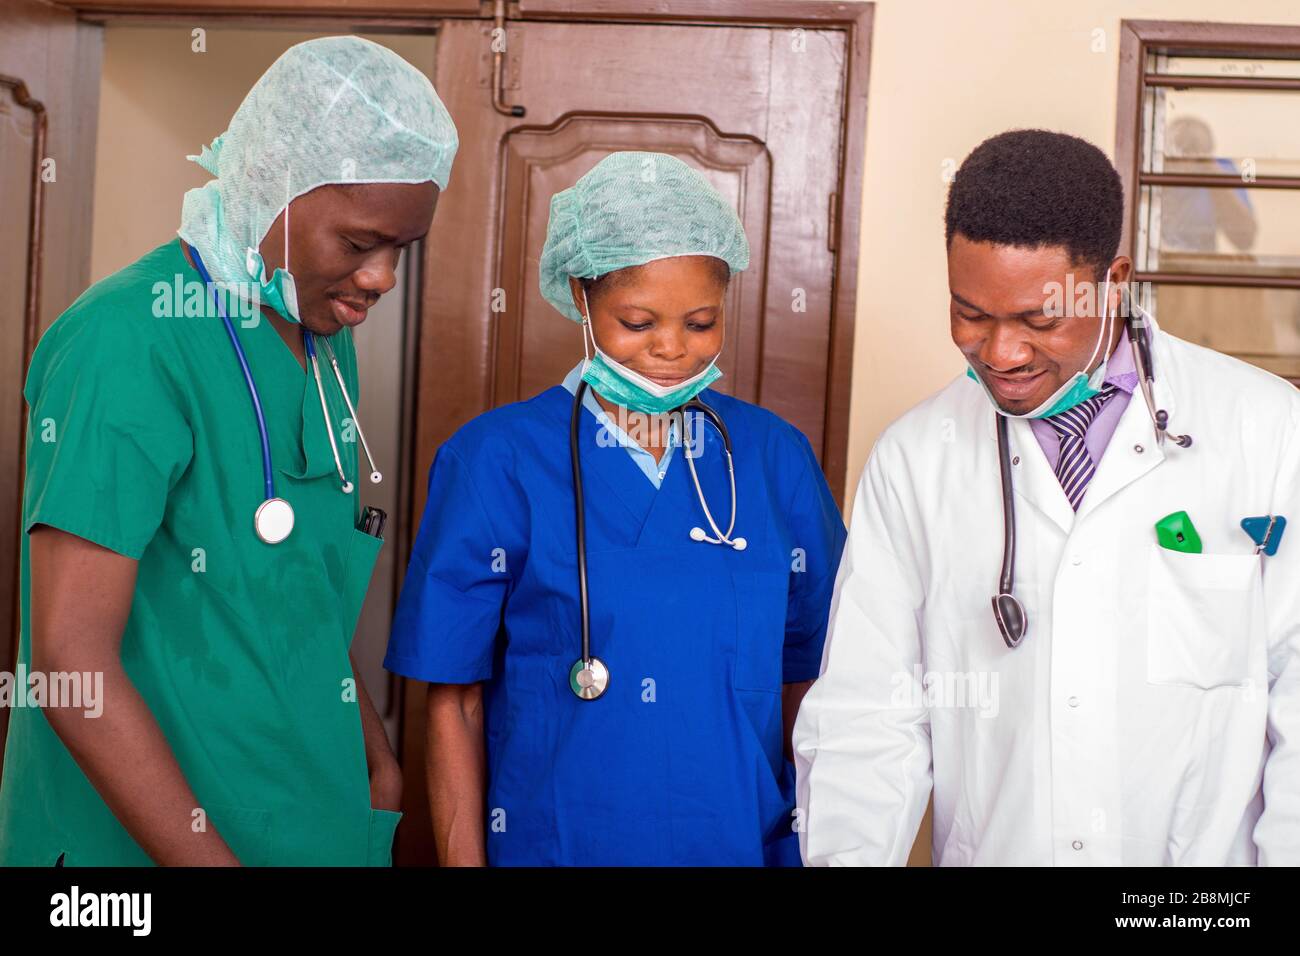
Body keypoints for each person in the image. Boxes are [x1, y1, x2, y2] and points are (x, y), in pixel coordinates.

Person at [0, 36, 459, 866]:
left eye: (403, 250)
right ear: (267, 180)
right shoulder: (127, 340)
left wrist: (372, 754)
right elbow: (70, 663)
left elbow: (291, 585)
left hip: (304, 811)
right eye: (360, 245)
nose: (383, 279)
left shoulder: (318, 336)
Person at [794, 129, 1300, 866]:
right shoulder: (914, 458)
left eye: (1039, 319)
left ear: (1115, 280)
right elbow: (867, 719)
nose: (1001, 353)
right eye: (970, 313)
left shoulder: (1265, 427)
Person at [384, 151, 847, 866]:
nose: (670, 350)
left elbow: (813, 678)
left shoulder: (772, 458)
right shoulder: (495, 460)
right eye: (636, 321)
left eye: (700, 323)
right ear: (580, 295)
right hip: (554, 843)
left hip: (737, 843)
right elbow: (454, 699)